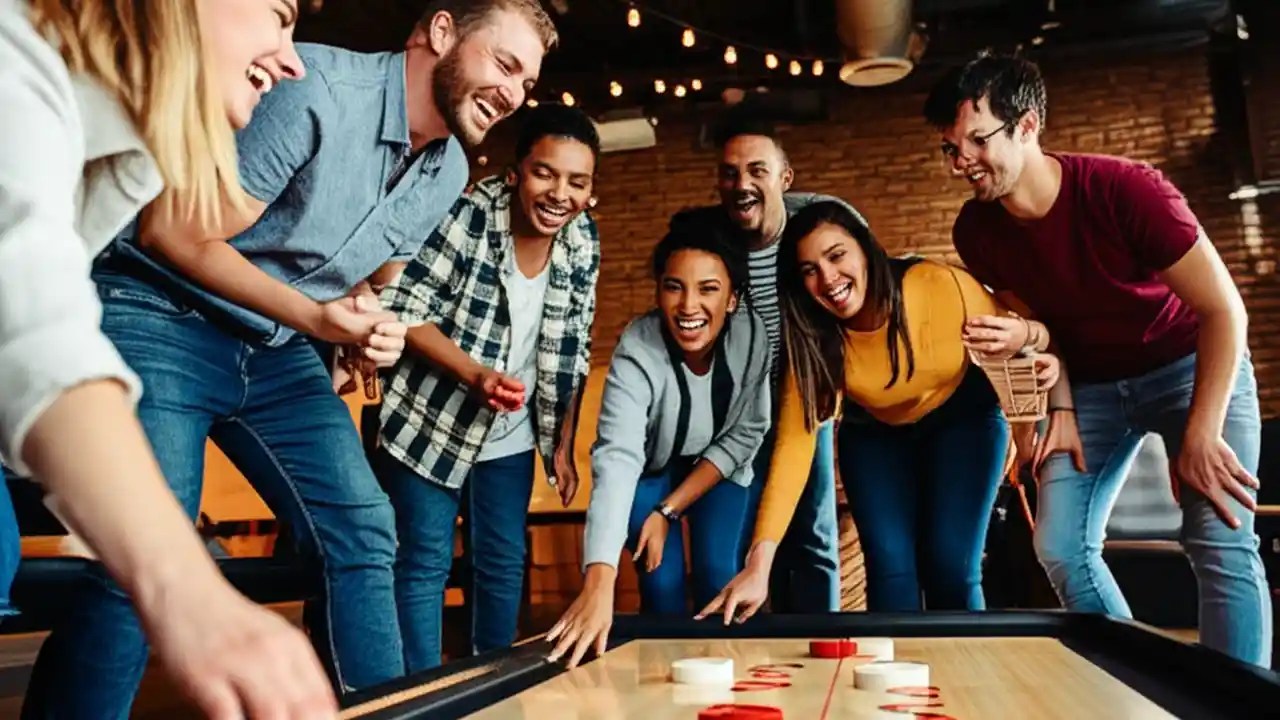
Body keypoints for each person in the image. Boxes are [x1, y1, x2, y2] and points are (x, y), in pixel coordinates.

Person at [20, 0, 559, 715]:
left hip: (272, 348)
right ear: (439, 32)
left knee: (365, 530)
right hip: (159, 309)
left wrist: (369, 327)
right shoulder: (316, 93)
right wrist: (318, 317)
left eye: (528, 81)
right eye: (505, 62)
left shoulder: (448, 169)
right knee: (148, 541)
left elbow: (376, 277)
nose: (515, 93)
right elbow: (173, 234)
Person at [1, 0, 337, 718]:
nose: (293, 59)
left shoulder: (113, 154)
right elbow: (30, 329)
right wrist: (187, 589)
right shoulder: (13, 56)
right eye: (278, 16)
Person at [921, 51, 1271, 667]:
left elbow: (1226, 312)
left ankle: (1233, 701)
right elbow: (1042, 331)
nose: (960, 163)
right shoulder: (976, 232)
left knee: (1220, 537)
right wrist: (1055, 409)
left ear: (1027, 125)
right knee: (1058, 543)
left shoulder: (1127, 190)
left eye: (976, 140)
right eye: (950, 149)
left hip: (1190, 362)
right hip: (1092, 387)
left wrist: (1201, 432)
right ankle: (1138, 681)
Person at [700, 200, 1061, 620]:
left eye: (836, 256)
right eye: (809, 270)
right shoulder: (814, 337)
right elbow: (794, 449)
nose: (827, 279)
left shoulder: (939, 286)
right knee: (891, 570)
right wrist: (759, 564)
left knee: (950, 564)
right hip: (875, 435)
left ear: (866, 249)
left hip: (964, 422)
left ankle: (967, 674)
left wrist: (1026, 435)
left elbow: (1018, 345)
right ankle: (895, 680)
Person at [370, 103, 601, 671]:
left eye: (577, 181)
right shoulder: (466, 216)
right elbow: (400, 307)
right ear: (516, 171)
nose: (559, 194)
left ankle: (489, 689)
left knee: (501, 563)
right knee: (423, 562)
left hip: (512, 437)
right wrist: (471, 373)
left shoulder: (582, 241)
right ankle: (420, 696)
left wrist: (563, 445)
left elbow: (575, 346)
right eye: (545, 173)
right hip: (430, 420)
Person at [545, 216, 771, 668]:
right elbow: (618, 459)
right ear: (658, 292)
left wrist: (671, 510)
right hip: (651, 471)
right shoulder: (637, 348)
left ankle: (729, 690)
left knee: (717, 578)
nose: (689, 305)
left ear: (733, 300)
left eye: (708, 289)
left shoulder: (753, 337)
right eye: (674, 286)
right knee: (661, 587)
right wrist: (598, 583)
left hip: (718, 468)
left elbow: (746, 433)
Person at [670, 113, 856, 613]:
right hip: (734, 420)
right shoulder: (712, 241)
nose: (742, 184)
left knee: (811, 538)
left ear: (784, 178)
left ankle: (822, 643)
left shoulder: (810, 233)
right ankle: (742, 656)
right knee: (732, 546)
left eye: (757, 170)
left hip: (803, 408)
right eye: (730, 173)